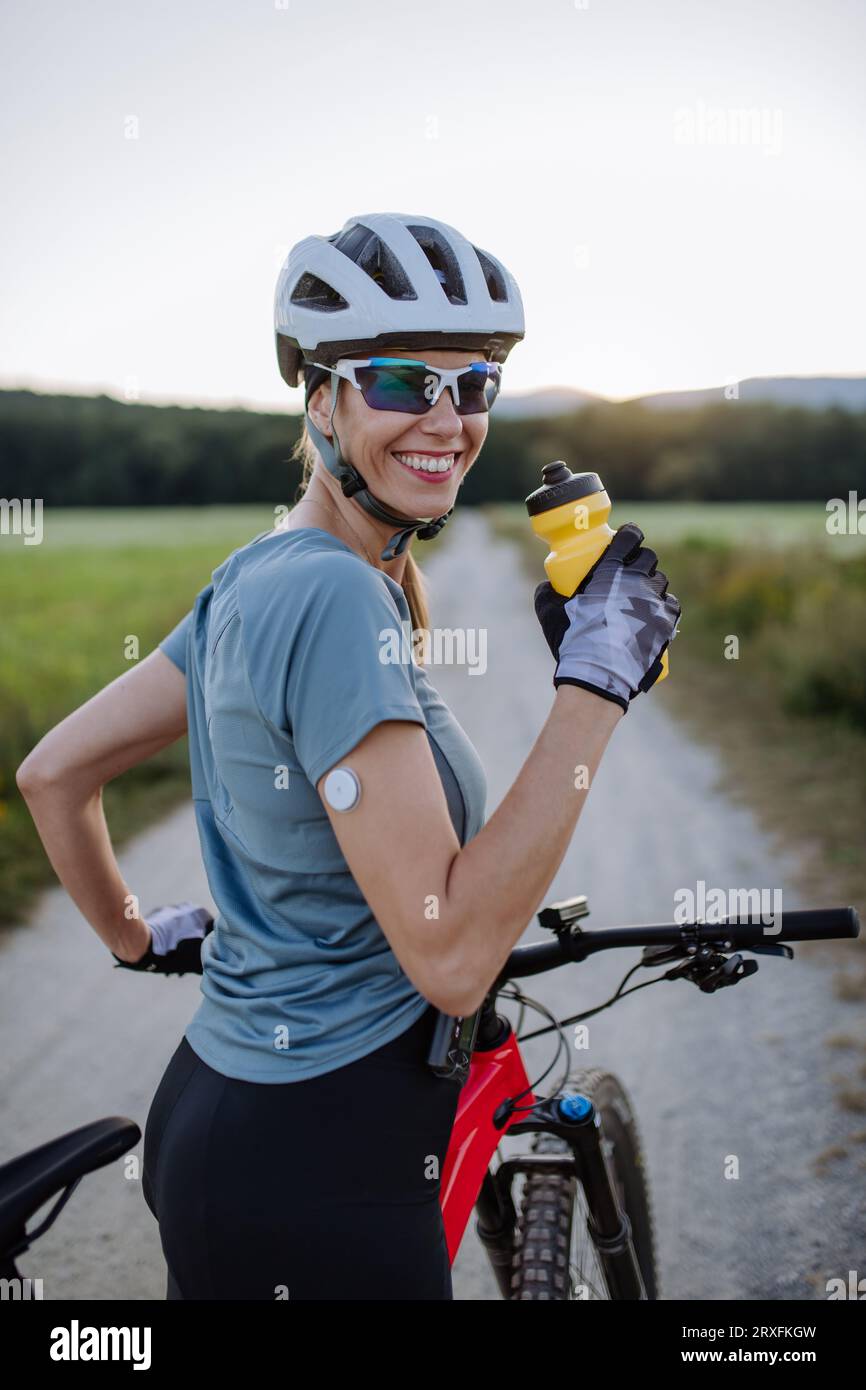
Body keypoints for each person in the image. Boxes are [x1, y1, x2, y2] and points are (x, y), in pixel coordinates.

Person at [15, 212, 680, 1301]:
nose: (449, 418)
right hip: (321, 1169)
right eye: (401, 383)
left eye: (473, 387)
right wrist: (595, 686)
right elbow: (453, 957)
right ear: (318, 397)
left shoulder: (259, 572)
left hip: (226, 1116)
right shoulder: (327, 593)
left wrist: (138, 938)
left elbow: (54, 773)